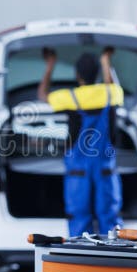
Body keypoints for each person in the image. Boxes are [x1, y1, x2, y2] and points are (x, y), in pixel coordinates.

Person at [37, 47, 124, 236]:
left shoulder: (70, 97)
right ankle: (115, 260)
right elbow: (113, 86)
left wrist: (50, 64)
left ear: (77, 74)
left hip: (79, 171)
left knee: (78, 221)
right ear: (98, 73)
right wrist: (105, 61)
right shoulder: (111, 93)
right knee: (110, 221)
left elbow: (42, 95)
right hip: (105, 170)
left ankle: (80, 261)